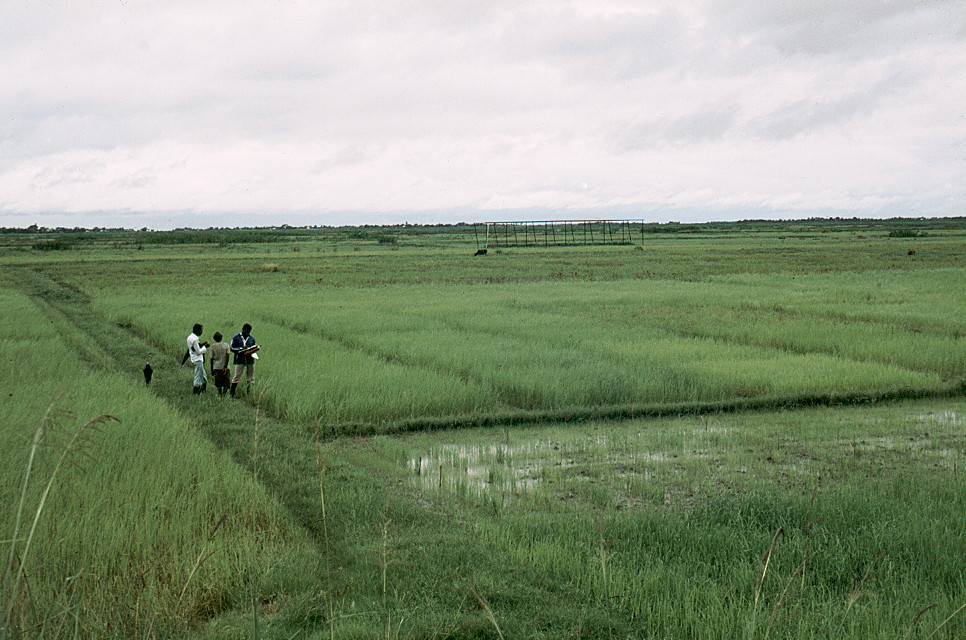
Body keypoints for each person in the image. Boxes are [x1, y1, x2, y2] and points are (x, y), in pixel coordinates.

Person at [229, 323, 258, 397]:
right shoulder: (236, 337)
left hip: (250, 359)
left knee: (250, 377)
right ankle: (232, 393)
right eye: (247, 331)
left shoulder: (251, 338)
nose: (248, 333)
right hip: (240, 359)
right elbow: (231, 348)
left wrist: (252, 349)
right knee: (237, 376)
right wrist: (241, 349)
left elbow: (253, 346)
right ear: (243, 330)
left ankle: (248, 393)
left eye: (249, 331)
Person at [186, 324, 209, 394]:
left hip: (194, 359)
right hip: (198, 360)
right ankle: (196, 392)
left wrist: (201, 344)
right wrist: (205, 347)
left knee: (204, 377)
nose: (202, 332)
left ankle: (203, 391)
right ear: (197, 330)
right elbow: (198, 351)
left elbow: (194, 348)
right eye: (201, 330)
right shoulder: (195, 339)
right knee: (198, 377)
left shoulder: (190, 337)